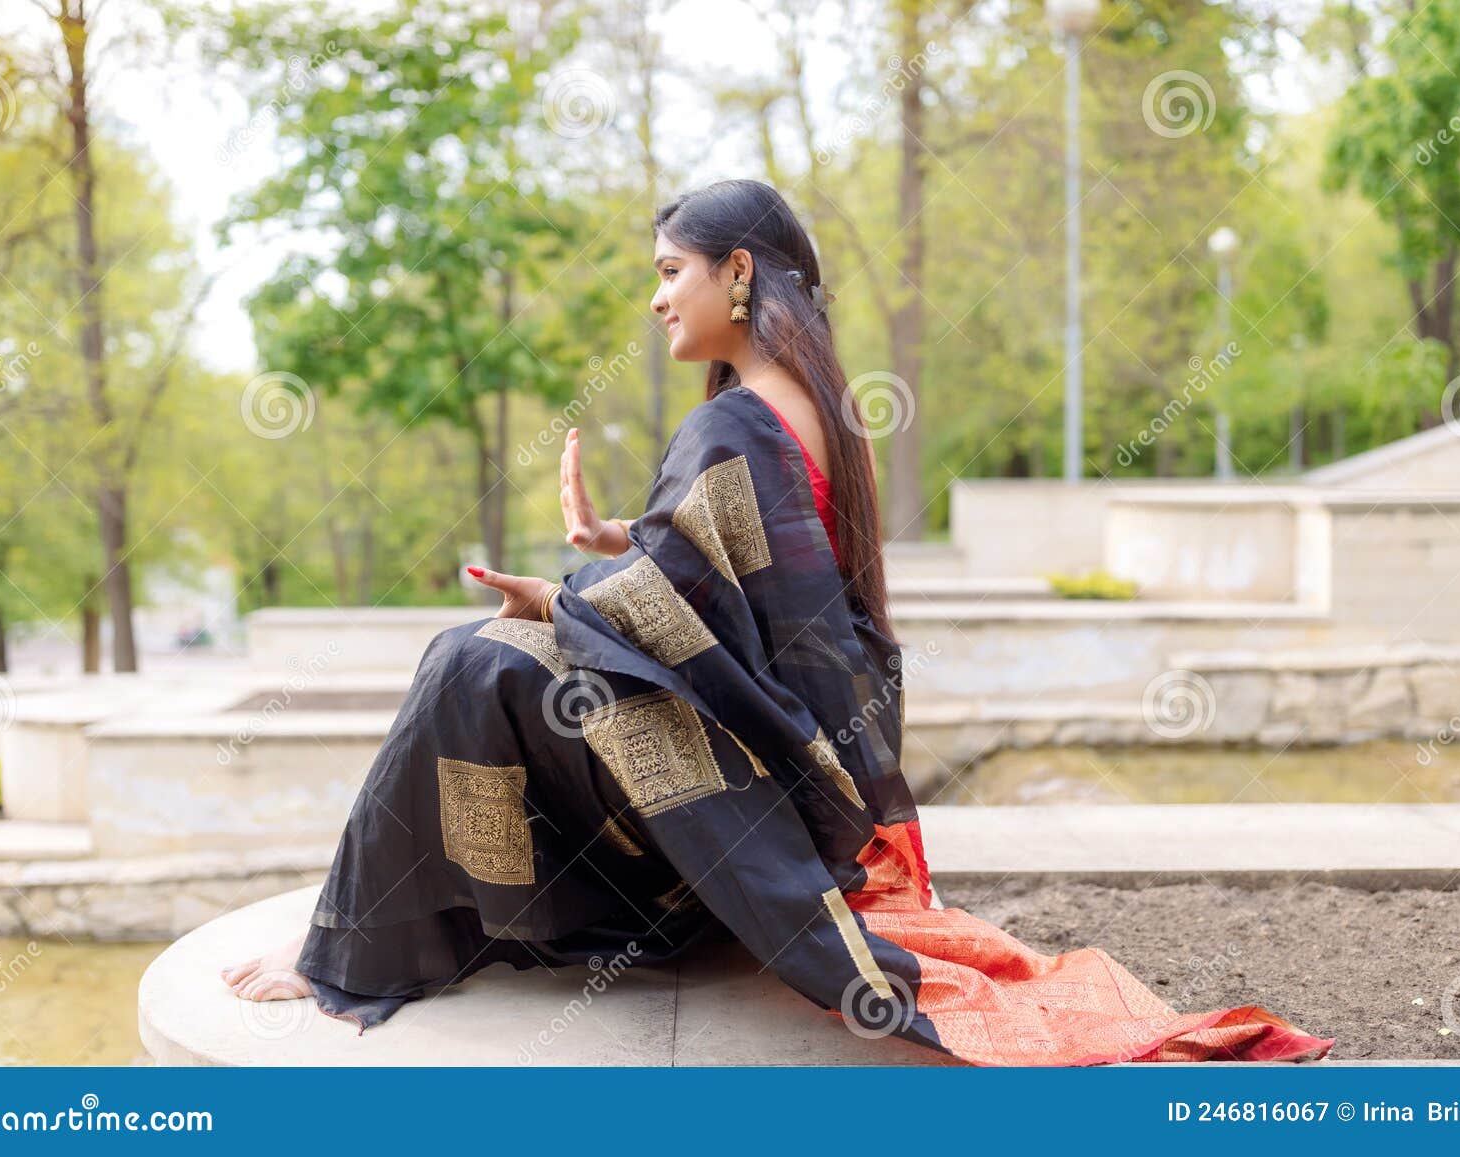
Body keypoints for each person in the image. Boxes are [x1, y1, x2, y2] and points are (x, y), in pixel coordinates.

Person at [220, 178, 1335, 1066]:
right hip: (797, 784)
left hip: (749, 785)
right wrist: (621, 543)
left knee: (467, 662)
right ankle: (413, 924)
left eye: (671, 272)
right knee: (495, 658)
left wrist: (557, 597)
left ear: (736, 272)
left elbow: (693, 626)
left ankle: (348, 955)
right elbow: (732, 594)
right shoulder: (816, 410)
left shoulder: (739, 422)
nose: (658, 298)